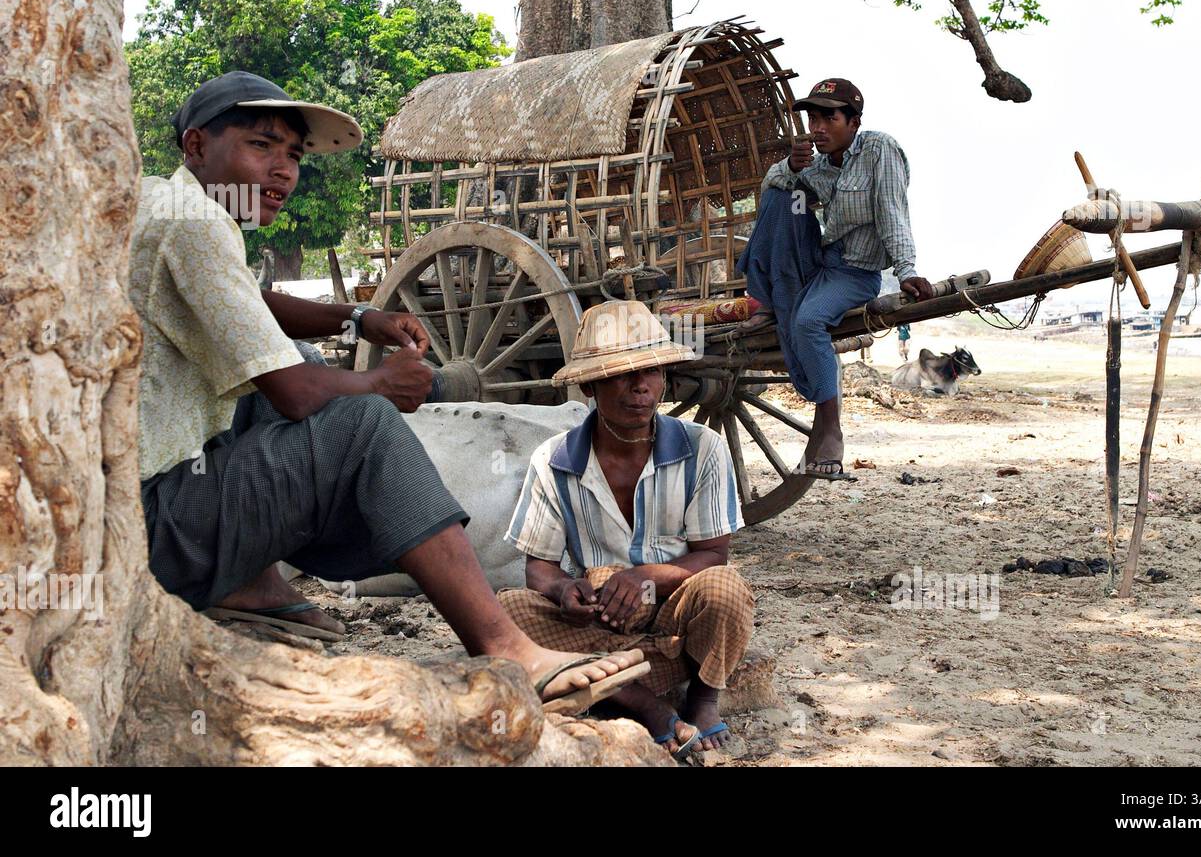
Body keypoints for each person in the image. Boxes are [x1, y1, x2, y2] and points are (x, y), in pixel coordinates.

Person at [131, 71, 645, 712]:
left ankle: (250, 582)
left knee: (302, 355)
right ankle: (505, 646)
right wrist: (378, 381)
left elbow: (250, 304)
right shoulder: (199, 227)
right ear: (197, 145)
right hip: (152, 530)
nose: (283, 170)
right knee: (360, 421)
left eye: (291, 154)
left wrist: (356, 318)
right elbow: (293, 396)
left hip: (133, 510)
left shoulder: (162, 202)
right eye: (261, 145)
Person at [498, 300, 755, 760]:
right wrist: (562, 591)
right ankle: (647, 705)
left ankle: (701, 696)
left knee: (726, 589)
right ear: (591, 385)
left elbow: (714, 554)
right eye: (621, 374)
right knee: (507, 612)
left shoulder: (703, 448)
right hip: (599, 623)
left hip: (676, 622)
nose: (639, 387)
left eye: (651, 372)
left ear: (663, 378)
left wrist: (648, 576)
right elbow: (538, 567)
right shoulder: (553, 460)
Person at [736, 77, 934, 478]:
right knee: (782, 195)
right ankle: (773, 298)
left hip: (855, 273)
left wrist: (907, 270)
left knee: (809, 321)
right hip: (817, 262)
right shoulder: (817, 162)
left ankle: (830, 427)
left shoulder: (880, 150)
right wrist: (791, 167)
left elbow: (892, 213)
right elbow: (769, 185)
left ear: (854, 121)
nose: (818, 127)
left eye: (830, 117)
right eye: (813, 118)